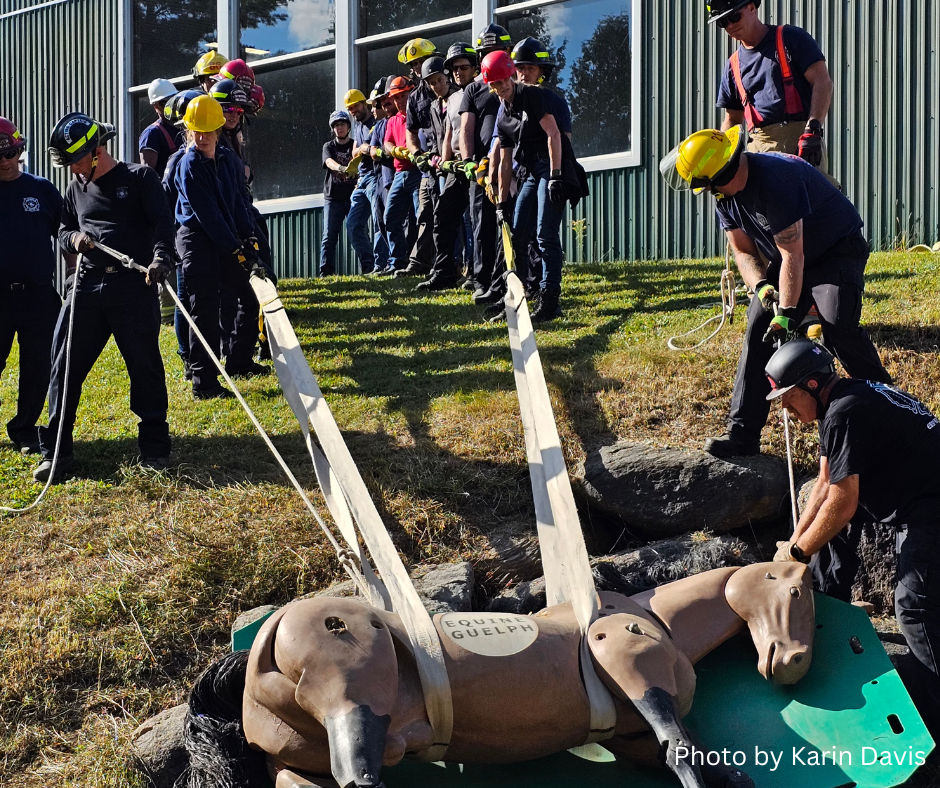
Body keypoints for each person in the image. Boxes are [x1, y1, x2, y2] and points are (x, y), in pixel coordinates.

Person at [660, 126, 891, 457]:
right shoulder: (724, 197)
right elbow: (742, 250)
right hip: (789, 259)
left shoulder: (775, 179)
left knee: (836, 324)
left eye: (706, 184)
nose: (706, 190)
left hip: (836, 251)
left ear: (717, 175)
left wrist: (785, 314)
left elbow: (792, 254)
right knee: (758, 330)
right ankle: (742, 434)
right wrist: (761, 287)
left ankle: (889, 406)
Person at [766, 338, 940, 735]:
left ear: (811, 385)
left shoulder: (844, 412)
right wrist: (795, 545)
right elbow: (825, 485)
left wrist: (797, 552)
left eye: (787, 398)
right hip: (921, 497)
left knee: (915, 608)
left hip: (932, 507)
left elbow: (843, 502)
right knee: (832, 533)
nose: (785, 411)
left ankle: (931, 715)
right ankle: (826, 611)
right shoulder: (845, 399)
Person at [40, 112, 174, 481]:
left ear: (97, 151)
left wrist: (160, 258)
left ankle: (154, 448)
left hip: (132, 286)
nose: (72, 170)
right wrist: (74, 240)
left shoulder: (140, 178)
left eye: (76, 161)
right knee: (64, 366)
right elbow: (64, 229)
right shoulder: (74, 190)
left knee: (144, 366)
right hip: (87, 285)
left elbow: (163, 224)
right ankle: (56, 452)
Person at [174, 95, 268, 400]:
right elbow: (208, 215)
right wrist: (234, 247)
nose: (201, 138)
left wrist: (249, 238)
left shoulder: (229, 160)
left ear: (218, 130)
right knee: (204, 308)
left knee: (249, 295)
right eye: (196, 132)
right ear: (189, 131)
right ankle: (204, 382)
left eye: (207, 131)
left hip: (225, 235)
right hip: (196, 238)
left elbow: (239, 203)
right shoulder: (188, 165)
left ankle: (239, 361)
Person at [486, 50, 578, 323]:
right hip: (529, 173)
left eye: (505, 79)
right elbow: (505, 162)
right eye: (496, 83)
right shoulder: (503, 116)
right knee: (517, 234)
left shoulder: (533, 96)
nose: (502, 86)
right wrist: (501, 202)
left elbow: (554, 134)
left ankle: (550, 301)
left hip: (552, 169)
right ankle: (517, 299)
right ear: (490, 85)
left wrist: (557, 176)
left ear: (511, 75)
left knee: (544, 234)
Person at [708, 0, 837, 183]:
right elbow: (732, 119)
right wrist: (722, 158)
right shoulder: (733, 65)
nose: (729, 26)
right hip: (759, 151)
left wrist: (813, 130)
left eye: (733, 17)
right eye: (722, 23)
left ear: (752, 8)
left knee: (808, 205)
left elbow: (822, 82)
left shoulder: (791, 38)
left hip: (801, 143)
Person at [0, 117, 63, 456]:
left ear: (19, 150)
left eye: (10, 153)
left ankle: (25, 429)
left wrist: (72, 279)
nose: (5, 162)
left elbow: (66, 235)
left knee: (38, 366)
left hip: (38, 295)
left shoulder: (41, 189)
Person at [417, 43, 477, 292]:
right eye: (454, 69)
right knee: (442, 216)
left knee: (475, 221)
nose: (457, 73)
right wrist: (442, 161)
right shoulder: (450, 101)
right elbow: (450, 132)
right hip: (454, 168)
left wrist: (471, 158)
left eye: (462, 68)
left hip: (474, 165)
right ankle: (444, 272)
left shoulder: (478, 91)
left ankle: (476, 272)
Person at [460, 24, 512, 300]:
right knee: (481, 223)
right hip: (481, 167)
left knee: (511, 221)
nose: (491, 57)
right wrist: (468, 160)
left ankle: (510, 277)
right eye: (486, 52)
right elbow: (466, 128)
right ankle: (482, 279)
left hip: (511, 164)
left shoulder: (515, 83)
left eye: (496, 51)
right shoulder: (473, 89)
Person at [393, 38, 439, 278]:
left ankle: (462, 264)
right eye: (412, 65)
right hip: (426, 165)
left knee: (457, 217)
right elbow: (410, 133)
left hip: (452, 161)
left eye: (419, 62)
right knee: (425, 213)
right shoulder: (415, 97)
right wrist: (416, 154)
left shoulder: (449, 86)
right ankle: (419, 262)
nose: (415, 69)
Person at [381, 77, 421, 275]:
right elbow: (386, 144)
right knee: (391, 218)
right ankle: (397, 261)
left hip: (417, 172)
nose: (400, 101)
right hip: (399, 174)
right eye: (396, 98)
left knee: (421, 217)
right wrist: (395, 150)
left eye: (403, 96)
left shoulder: (420, 114)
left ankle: (422, 260)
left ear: (411, 93)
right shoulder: (392, 120)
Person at [343, 89, 381, 274]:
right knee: (353, 224)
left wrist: (364, 149)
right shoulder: (358, 127)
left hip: (376, 177)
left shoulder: (376, 122)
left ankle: (383, 264)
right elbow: (355, 152)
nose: (353, 111)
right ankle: (368, 265)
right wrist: (363, 148)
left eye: (356, 106)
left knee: (378, 221)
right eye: (350, 108)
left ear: (364, 103)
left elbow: (374, 150)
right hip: (362, 179)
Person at [319, 109, 358, 276]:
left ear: (348, 126)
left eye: (342, 124)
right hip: (333, 197)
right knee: (329, 236)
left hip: (353, 196)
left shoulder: (355, 145)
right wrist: (342, 168)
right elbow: (328, 161)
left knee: (358, 232)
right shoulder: (329, 146)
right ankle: (325, 273)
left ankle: (369, 266)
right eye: (335, 125)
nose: (339, 128)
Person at [367, 78, 397, 274]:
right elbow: (372, 150)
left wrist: (381, 152)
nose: (384, 104)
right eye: (380, 102)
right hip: (381, 178)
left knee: (397, 220)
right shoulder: (379, 125)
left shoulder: (403, 118)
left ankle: (398, 261)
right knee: (381, 221)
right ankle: (390, 261)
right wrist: (382, 152)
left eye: (386, 99)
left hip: (398, 176)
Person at [139, 79, 182, 177]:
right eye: (166, 102)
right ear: (156, 105)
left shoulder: (184, 127)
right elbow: (147, 175)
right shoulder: (152, 134)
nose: (172, 105)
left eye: (174, 100)